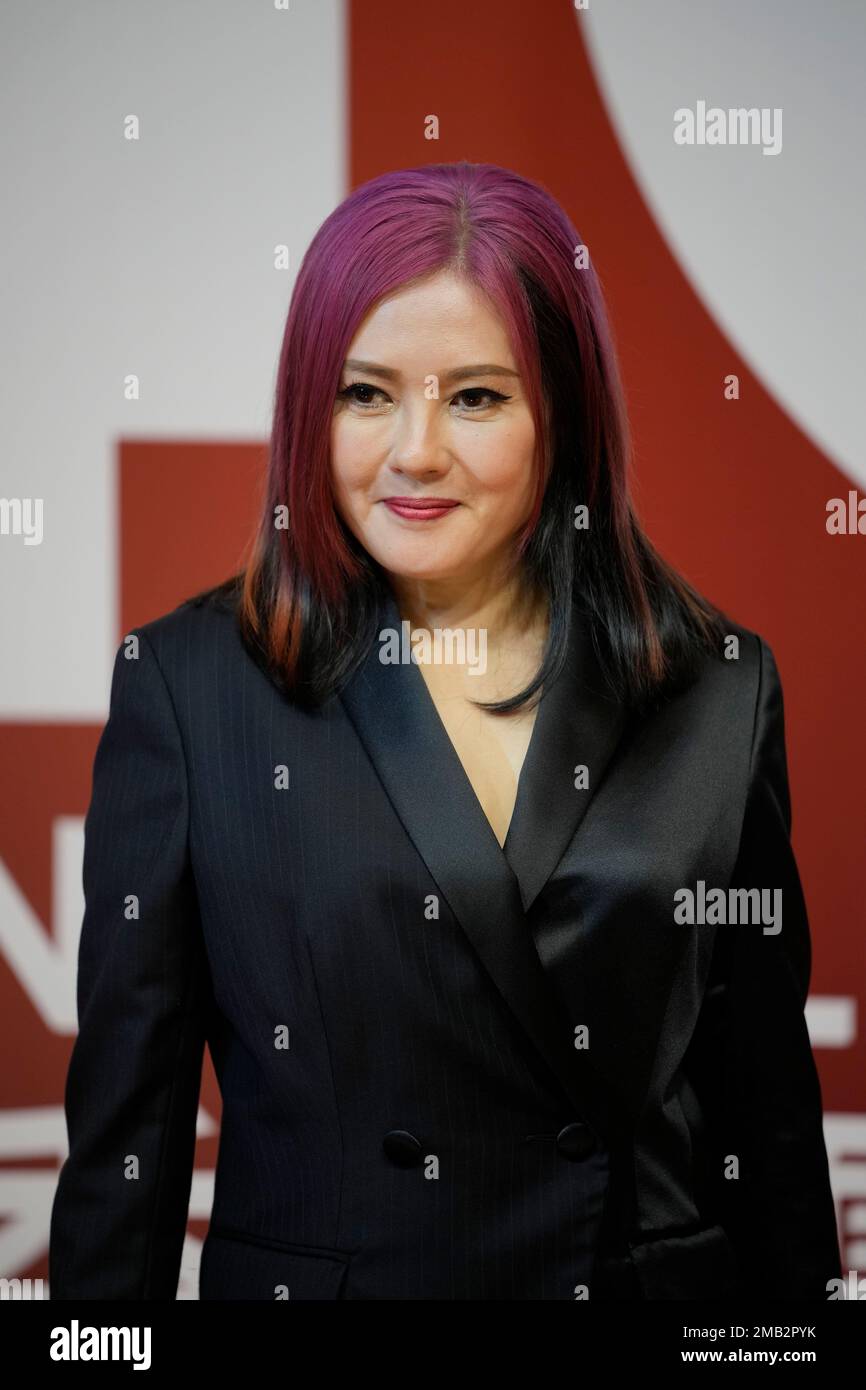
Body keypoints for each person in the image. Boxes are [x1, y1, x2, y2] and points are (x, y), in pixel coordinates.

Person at [49, 161, 841, 1301]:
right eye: (365, 394)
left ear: (561, 417)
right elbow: (127, 1155)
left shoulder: (717, 687)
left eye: (475, 397)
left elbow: (766, 1126)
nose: (414, 452)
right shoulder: (190, 689)